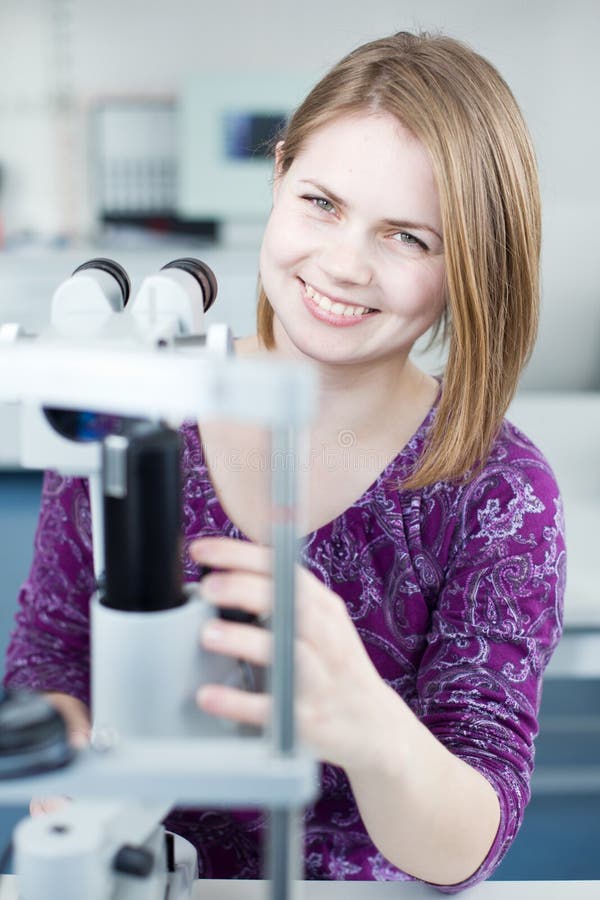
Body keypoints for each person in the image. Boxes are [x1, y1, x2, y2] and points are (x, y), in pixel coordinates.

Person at [4, 31, 565, 891]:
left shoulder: (498, 494)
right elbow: (49, 653)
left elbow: (470, 838)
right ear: (277, 180)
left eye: (408, 238)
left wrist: (367, 722)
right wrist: (72, 766)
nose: (343, 264)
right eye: (322, 203)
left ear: (472, 267)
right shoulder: (129, 411)